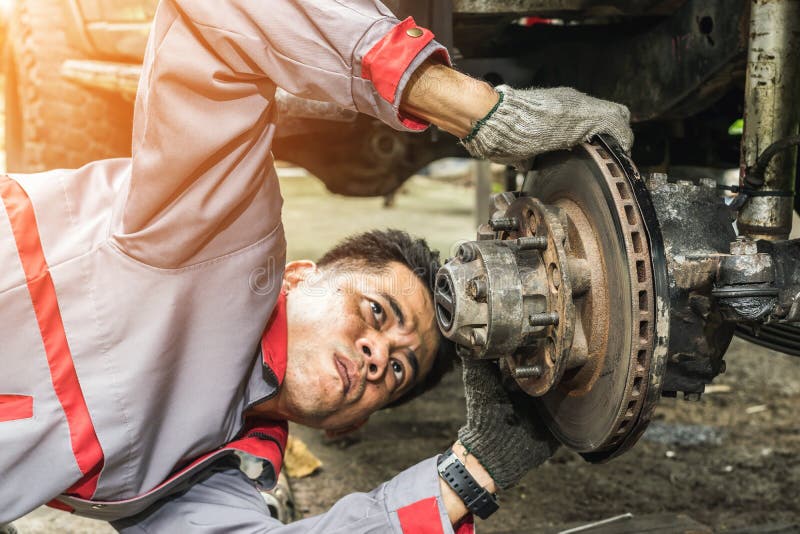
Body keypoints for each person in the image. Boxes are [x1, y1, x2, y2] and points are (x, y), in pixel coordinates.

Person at [0, 0, 633, 531]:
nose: (379, 357)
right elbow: (217, 18)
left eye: (398, 371)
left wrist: (471, 476)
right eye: (376, 311)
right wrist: (478, 109)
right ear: (299, 275)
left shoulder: (210, 473)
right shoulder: (220, 242)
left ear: (352, 425)